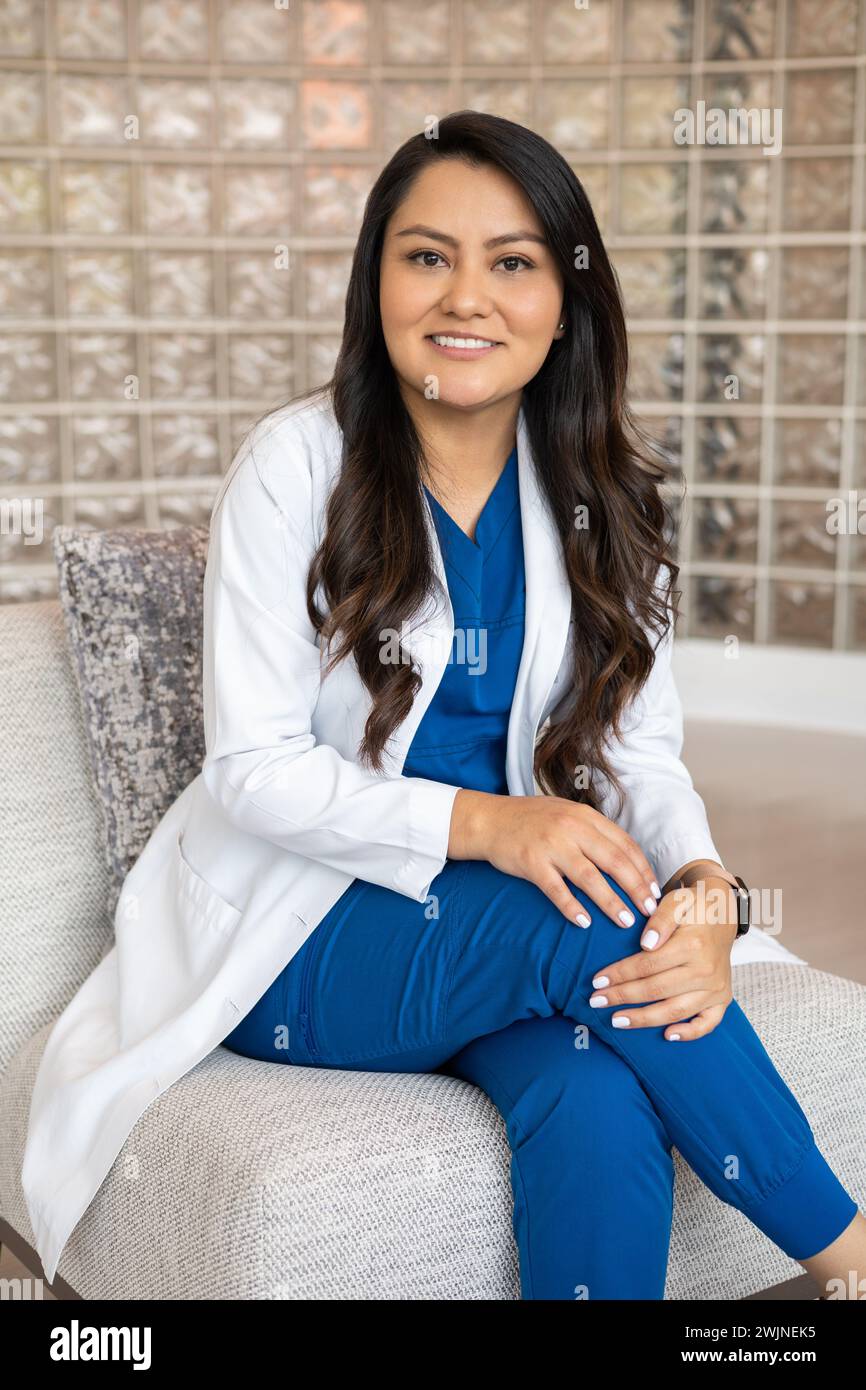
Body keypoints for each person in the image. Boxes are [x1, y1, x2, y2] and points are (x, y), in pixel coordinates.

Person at [216, 110, 864, 1299]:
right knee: (590, 920)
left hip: (498, 950)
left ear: (565, 299)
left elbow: (638, 756)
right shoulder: (293, 467)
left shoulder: (595, 492)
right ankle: (850, 1256)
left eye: (512, 262)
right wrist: (492, 827)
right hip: (304, 936)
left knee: (594, 1091)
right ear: (375, 285)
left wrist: (703, 888)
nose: (465, 297)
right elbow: (249, 771)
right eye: (425, 256)